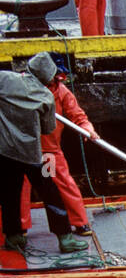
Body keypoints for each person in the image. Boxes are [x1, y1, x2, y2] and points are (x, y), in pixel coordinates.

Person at [0, 53, 84, 254]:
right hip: (34, 156)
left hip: (5, 153)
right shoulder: (46, 96)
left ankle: (13, 237)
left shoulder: (5, 79)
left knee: (10, 194)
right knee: (50, 193)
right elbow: (47, 128)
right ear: (48, 77)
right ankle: (65, 238)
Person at [20, 58, 97, 237]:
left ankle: (79, 222)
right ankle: (19, 227)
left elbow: (78, 115)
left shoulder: (61, 91)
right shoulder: (20, 88)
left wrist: (87, 128)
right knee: (20, 187)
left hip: (48, 153)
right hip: (23, 151)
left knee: (58, 183)